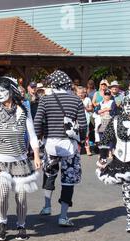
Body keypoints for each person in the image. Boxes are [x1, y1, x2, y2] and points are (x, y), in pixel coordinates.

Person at [0, 76, 41, 241]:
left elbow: (32, 135)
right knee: (3, 193)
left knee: (21, 196)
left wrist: (37, 155)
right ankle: (2, 222)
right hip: (0, 161)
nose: (0, 93)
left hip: (20, 160)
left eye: (3, 90)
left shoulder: (23, 111)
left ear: (11, 91)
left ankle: (21, 224)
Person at [34, 70, 87, 227]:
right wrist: (81, 139)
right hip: (70, 145)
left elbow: (37, 122)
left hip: (50, 144)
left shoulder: (45, 100)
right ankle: (63, 216)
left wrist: (36, 141)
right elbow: (83, 125)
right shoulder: (76, 100)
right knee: (68, 180)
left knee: (49, 174)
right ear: (67, 84)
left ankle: (47, 206)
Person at [96, 92, 130, 232]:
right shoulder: (116, 120)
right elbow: (106, 139)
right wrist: (103, 157)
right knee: (128, 189)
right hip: (123, 161)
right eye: (126, 104)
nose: (128, 106)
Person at [76, 86, 94, 156]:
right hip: (77, 120)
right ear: (76, 93)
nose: (80, 94)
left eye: (82, 93)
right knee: (77, 136)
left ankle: (88, 149)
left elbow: (91, 109)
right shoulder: (75, 99)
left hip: (86, 119)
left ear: (85, 93)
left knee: (86, 135)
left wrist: (85, 108)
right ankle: (78, 149)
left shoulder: (87, 99)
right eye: (79, 93)